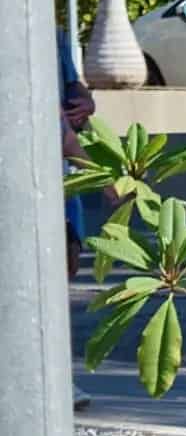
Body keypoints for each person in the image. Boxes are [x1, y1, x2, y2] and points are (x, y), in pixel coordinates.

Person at [57, 30, 95, 412]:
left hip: (62, 186)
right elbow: (60, 132)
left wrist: (85, 100)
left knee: (60, 273)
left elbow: (72, 85)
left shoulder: (52, 34)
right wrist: (107, 181)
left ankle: (58, 374)